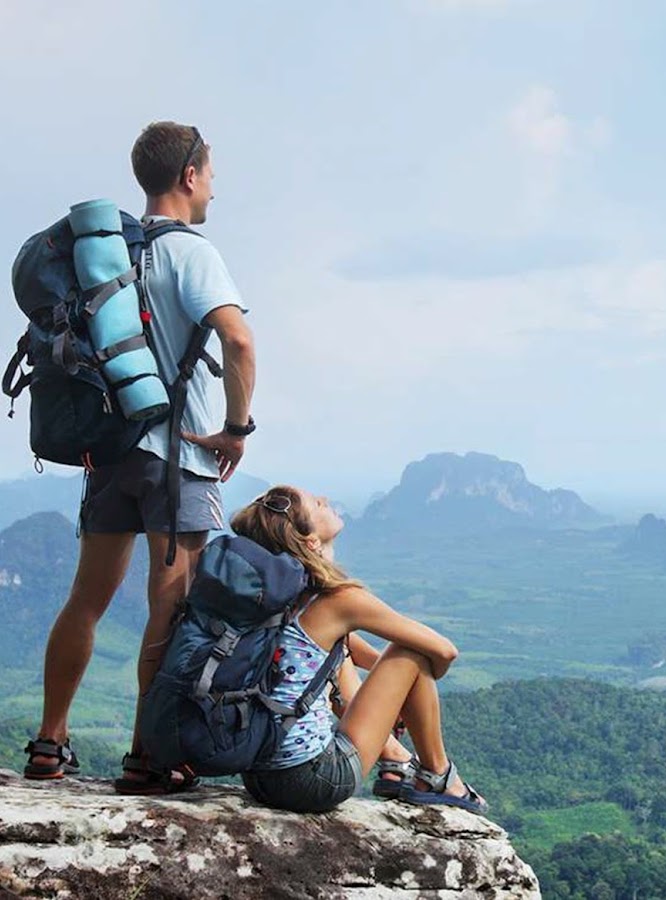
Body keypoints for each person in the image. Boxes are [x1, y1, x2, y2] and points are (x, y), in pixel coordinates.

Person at [24, 121, 256, 793]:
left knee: (85, 600)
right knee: (170, 605)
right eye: (210, 174)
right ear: (188, 176)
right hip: (176, 455)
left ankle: (49, 741)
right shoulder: (191, 252)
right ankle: (148, 754)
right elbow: (238, 342)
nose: (213, 187)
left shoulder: (110, 256)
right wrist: (237, 428)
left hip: (108, 448)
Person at [230, 486, 487, 814]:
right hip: (312, 781)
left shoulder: (276, 594)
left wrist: (392, 692)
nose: (323, 498)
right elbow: (444, 651)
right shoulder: (336, 601)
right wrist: (409, 680)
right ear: (310, 542)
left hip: (258, 776)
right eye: (316, 503)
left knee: (339, 652)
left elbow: (346, 647)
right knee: (411, 653)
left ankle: (395, 759)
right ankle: (438, 774)